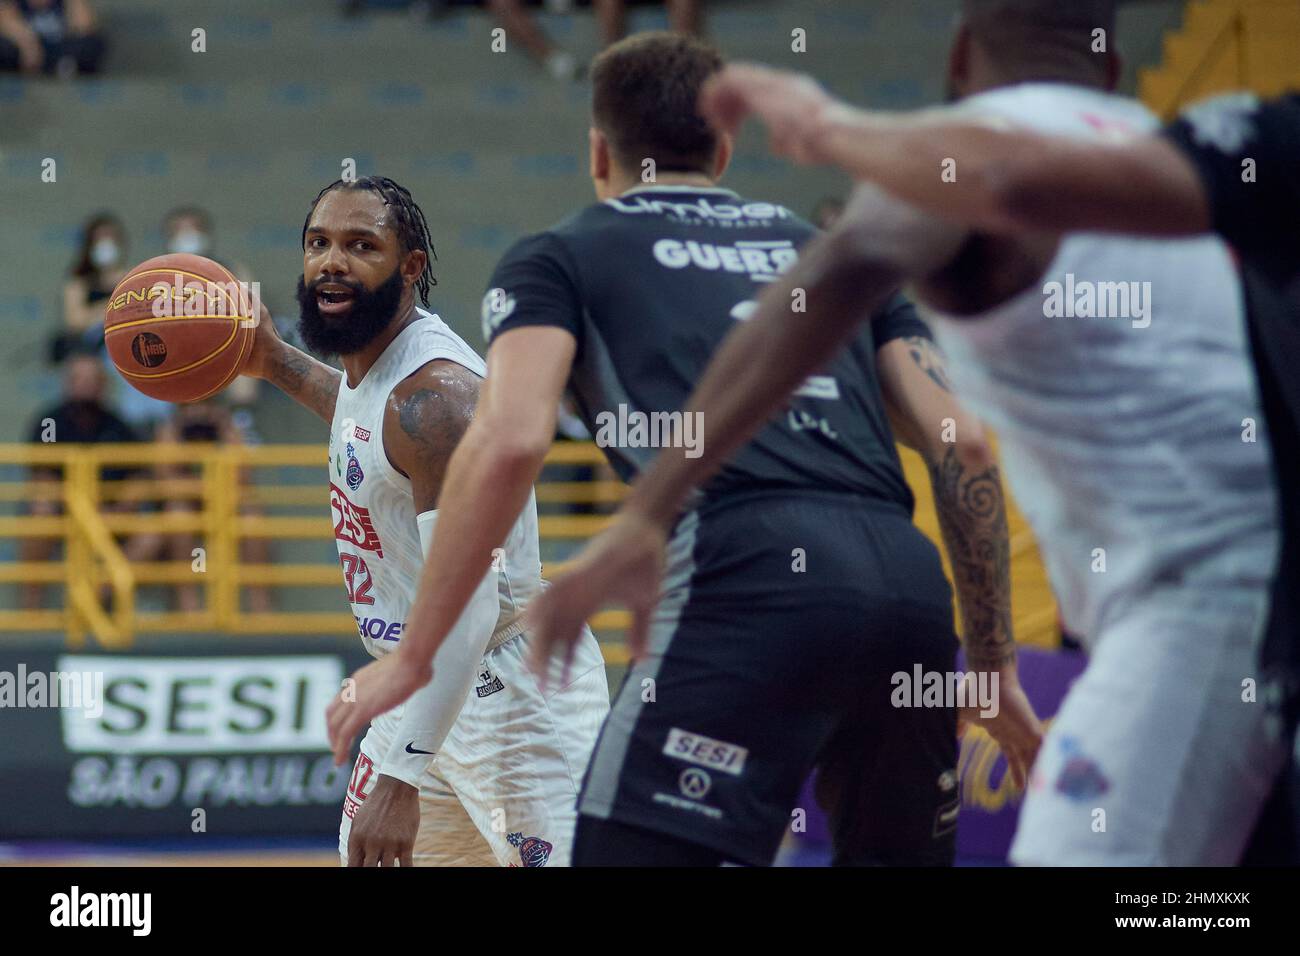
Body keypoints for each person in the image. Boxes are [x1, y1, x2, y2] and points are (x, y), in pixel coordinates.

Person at [527, 0, 1286, 865]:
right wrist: (992, 660)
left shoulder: (948, 166)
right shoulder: (1181, 155)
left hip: (1194, 611)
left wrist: (645, 509)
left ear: (959, 56)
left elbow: (819, 304)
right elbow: (958, 438)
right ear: (1112, 69)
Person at [325, 33, 1033, 867]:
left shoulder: (559, 258)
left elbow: (508, 442)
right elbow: (969, 448)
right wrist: (992, 664)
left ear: (599, 151)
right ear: (726, 147)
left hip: (741, 577)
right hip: (905, 590)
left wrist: (414, 657)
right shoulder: (835, 251)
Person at [242, 175, 607, 867]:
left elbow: (467, 613)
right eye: (318, 243)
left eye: (360, 245)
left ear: (410, 268)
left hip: (510, 692)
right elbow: (370, 427)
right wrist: (272, 360)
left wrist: (401, 777)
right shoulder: (381, 379)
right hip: (424, 683)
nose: (332, 262)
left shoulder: (440, 400)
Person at [20, 353, 147, 609]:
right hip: (65, 511)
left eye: (93, 379)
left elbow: (138, 478)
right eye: (80, 378)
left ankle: (94, 597)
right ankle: (31, 605)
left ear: (104, 384)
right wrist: (83, 509)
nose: (87, 384)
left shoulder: (119, 426)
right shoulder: (49, 422)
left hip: (111, 514)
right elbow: (43, 477)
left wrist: (120, 509)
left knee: (151, 535)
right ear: (68, 382)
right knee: (39, 514)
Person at [51, 212, 127, 364]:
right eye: (99, 239)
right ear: (89, 245)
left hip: (124, 347)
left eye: (110, 238)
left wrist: (94, 313)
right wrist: (113, 307)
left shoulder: (132, 278)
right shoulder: (78, 282)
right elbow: (75, 322)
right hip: (92, 355)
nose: (106, 244)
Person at [0, 0, 104, 76]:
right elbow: (5, 20)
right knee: (5, 47)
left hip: (61, 54)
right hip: (27, 53)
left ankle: (63, 70)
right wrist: (28, 44)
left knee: (92, 43)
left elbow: (84, 27)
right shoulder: (16, 4)